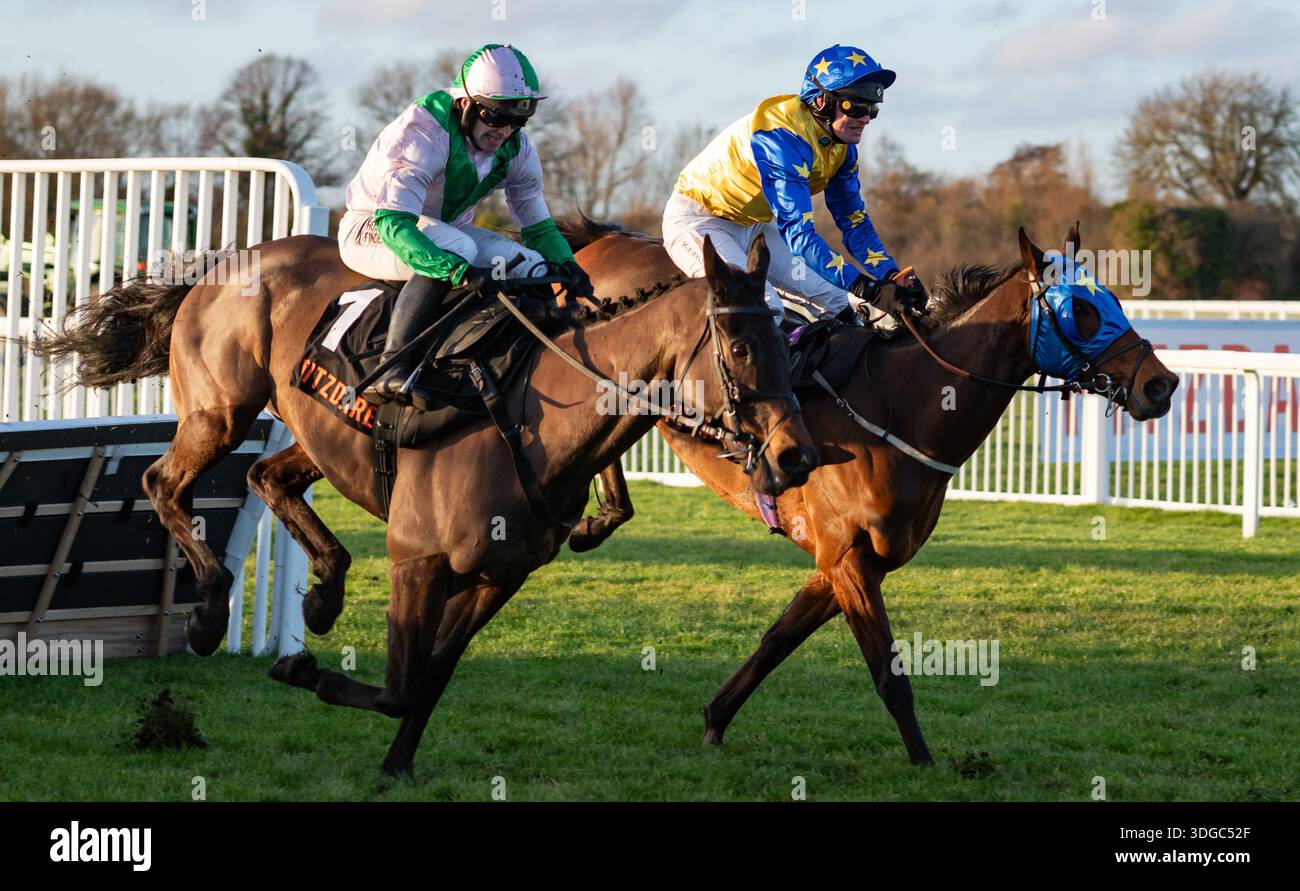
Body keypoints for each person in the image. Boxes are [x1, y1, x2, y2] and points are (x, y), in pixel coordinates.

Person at [338, 43, 593, 405]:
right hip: (372, 227)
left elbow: (537, 228)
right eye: (496, 117)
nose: (506, 130)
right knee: (459, 249)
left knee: (528, 263)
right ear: (465, 104)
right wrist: (456, 271)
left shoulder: (517, 149)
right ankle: (392, 367)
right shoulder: (423, 132)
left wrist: (568, 266)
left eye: (519, 119)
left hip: (444, 231)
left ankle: (528, 365)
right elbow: (396, 223)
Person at [662, 44, 924, 325]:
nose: (865, 117)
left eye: (873, 108)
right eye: (856, 104)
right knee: (766, 308)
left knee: (836, 299)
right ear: (822, 101)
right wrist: (865, 287)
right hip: (698, 223)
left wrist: (890, 276)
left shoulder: (842, 150)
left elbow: (854, 222)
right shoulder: (781, 140)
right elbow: (800, 235)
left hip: (753, 227)